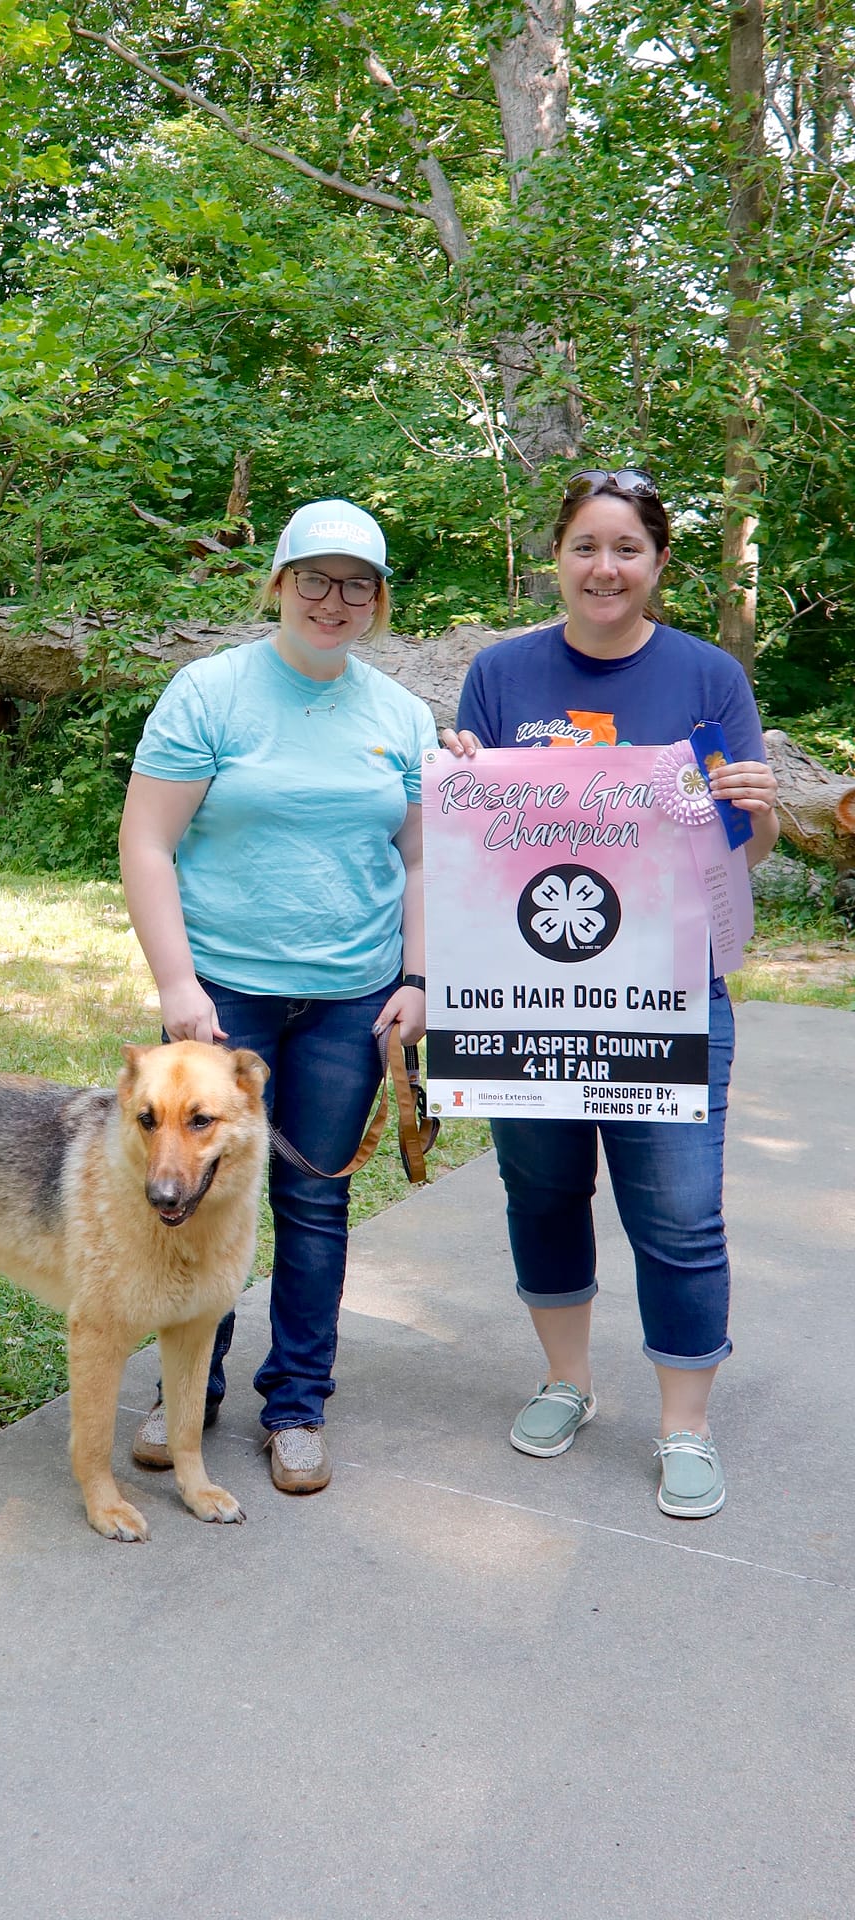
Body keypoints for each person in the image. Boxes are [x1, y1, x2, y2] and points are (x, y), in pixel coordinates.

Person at [444, 466, 779, 1519]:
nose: (603, 567)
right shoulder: (499, 677)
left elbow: (743, 851)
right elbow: (473, 850)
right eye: (584, 546)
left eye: (624, 548)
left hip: (668, 998)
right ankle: (565, 1382)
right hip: (527, 997)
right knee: (540, 1193)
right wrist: (456, 780)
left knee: (677, 1215)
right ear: (556, 556)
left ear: (656, 563)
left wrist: (756, 807)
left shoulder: (705, 679)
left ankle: (684, 1425)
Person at [118, 499, 438, 1494]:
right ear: (276, 582)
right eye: (314, 578)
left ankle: (295, 1404)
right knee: (193, 1199)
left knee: (313, 1200)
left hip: (352, 999)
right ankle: (187, 1400)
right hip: (222, 998)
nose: (331, 601)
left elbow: (421, 860)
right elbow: (146, 842)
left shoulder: (401, 716)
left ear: (377, 601)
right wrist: (178, 987)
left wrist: (416, 978)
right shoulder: (207, 693)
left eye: (354, 585)